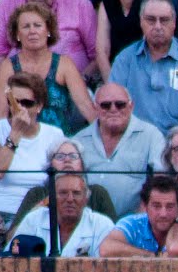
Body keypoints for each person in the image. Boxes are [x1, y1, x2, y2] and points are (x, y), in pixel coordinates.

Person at [106, 0, 178, 134]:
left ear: (174, 23)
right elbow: (112, 107)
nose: (158, 26)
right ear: (141, 22)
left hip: (177, 144)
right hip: (136, 142)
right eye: (151, 20)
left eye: (164, 20)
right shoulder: (125, 60)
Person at [70, 81, 166, 216]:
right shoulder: (79, 140)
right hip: (88, 222)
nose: (113, 109)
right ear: (95, 108)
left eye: (120, 104)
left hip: (135, 222)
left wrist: (141, 218)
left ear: (131, 106)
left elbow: (161, 179)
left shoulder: (151, 135)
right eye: (105, 105)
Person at [0, 2, 95, 134]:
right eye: (26, 27)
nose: (32, 31)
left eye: (37, 25)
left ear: (48, 31)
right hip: (21, 143)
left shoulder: (64, 64)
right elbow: (0, 115)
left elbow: (86, 106)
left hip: (59, 145)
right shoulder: (8, 67)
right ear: (17, 35)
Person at [0, 70, 62, 235]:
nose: (20, 109)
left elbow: (61, 179)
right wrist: (15, 134)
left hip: (36, 213)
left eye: (27, 103)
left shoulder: (54, 135)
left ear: (39, 106)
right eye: (15, 102)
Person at [7, 137, 116, 228]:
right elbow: (12, 238)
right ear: (50, 165)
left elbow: (115, 237)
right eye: (60, 157)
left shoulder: (97, 193)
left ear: (82, 165)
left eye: (73, 156)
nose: (67, 160)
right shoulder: (37, 194)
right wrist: (43, 204)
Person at [2, 169, 112, 253]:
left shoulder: (102, 225)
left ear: (86, 199)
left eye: (76, 193)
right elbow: (11, 259)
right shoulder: (33, 220)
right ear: (52, 198)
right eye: (63, 193)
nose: (70, 199)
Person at [98, 172, 178, 254]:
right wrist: (153, 256)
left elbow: (177, 248)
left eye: (170, 207)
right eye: (156, 206)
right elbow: (105, 248)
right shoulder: (133, 223)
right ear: (145, 207)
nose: (163, 214)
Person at [0, 0, 97, 82]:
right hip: (17, 92)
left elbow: (97, 57)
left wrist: (79, 83)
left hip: (71, 89)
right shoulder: (4, 7)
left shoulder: (80, 5)